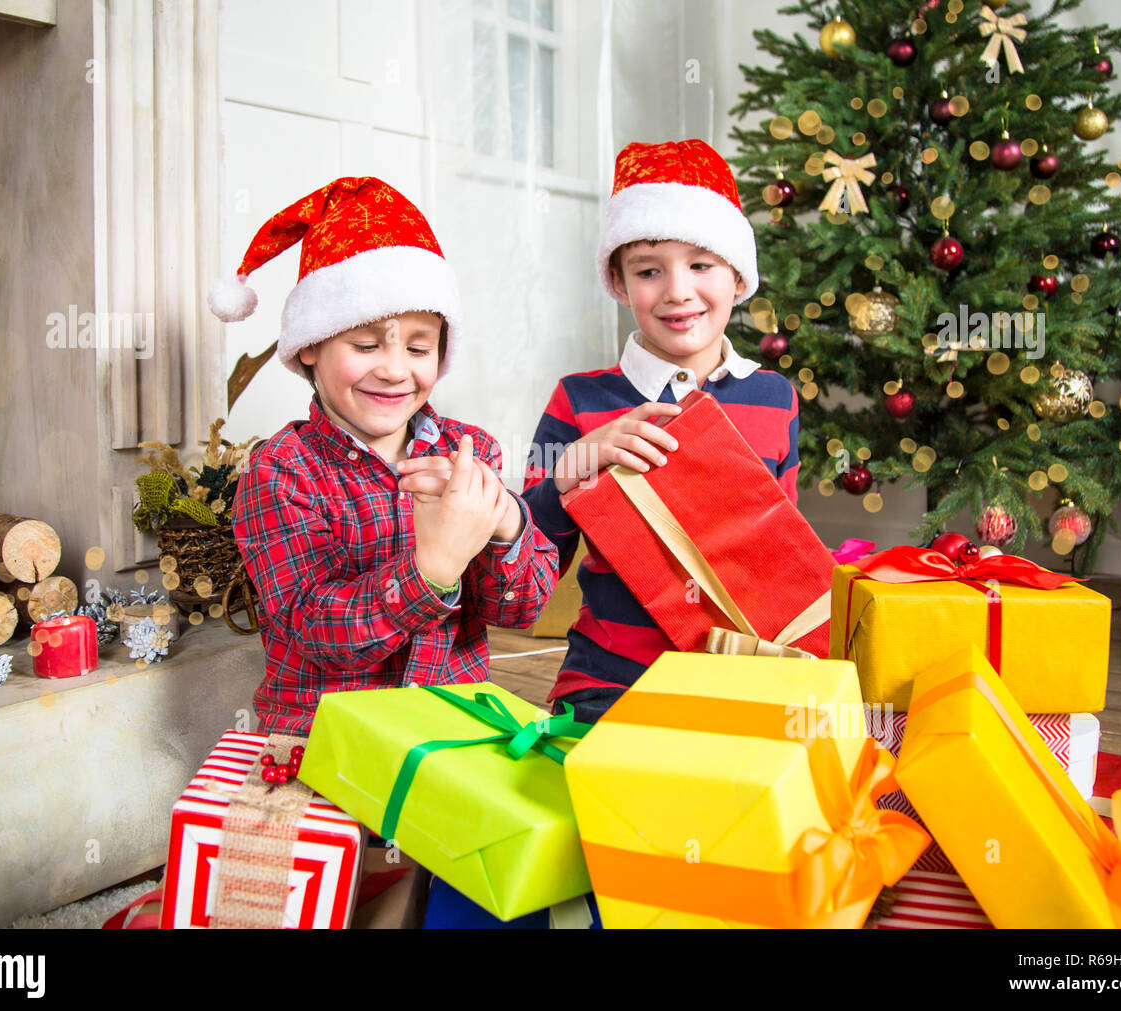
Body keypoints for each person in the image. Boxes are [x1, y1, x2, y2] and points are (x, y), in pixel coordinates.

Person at [213, 177, 559, 736]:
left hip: (452, 731)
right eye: (367, 345)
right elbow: (317, 631)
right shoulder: (280, 469)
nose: (397, 369)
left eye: (419, 347)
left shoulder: (470, 453)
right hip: (326, 740)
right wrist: (434, 569)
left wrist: (504, 520)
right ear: (310, 344)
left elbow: (520, 610)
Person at [521, 139, 800, 724]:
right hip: (610, 678)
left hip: (740, 681)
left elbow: (782, 556)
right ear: (620, 285)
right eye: (649, 271)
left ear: (738, 278)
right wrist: (570, 468)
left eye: (701, 265)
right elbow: (530, 563)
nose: (677, 291)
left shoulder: (774, 397)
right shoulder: (581, 399)